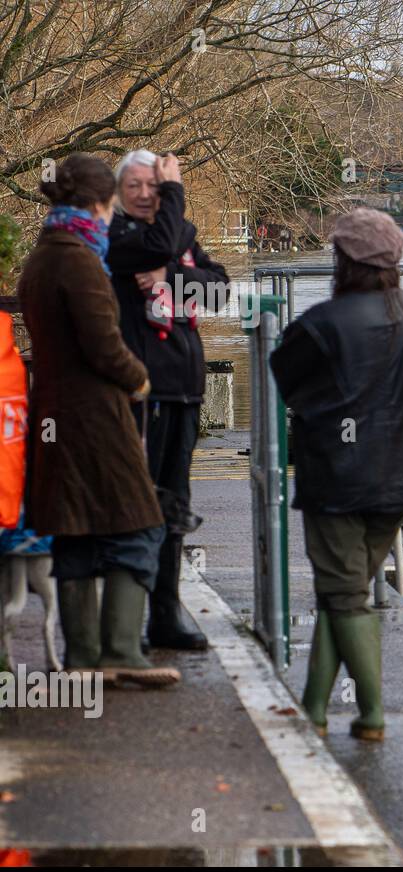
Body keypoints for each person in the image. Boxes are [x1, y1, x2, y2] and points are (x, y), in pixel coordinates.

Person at [270, 208, 403, 741]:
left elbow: (285, 382)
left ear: (343, 262)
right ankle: (314, 709)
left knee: (345, 596)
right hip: (402, 482)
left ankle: (371, 714)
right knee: (341, 593)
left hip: (339, 483)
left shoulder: (322, 323)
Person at [16, 153, 179, 686]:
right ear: (98, 202)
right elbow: (102, 344)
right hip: (94, 415)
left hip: (55, 413)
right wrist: (139, 378)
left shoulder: (43, 254)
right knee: (140, 523)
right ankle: (121, 653)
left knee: (75, 530)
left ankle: (84, 659)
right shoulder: (79, 258)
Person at [107, 149, 229, 652]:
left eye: (153, 187)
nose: (144, 195)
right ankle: (124, 624)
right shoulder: (117, 236)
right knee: (143, 501)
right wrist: (175, 193)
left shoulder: (180, 236)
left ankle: (164, 616)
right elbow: (160, 241)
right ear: (118, 192)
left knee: (175, 503)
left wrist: (172, 280)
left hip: (185, 387)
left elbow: (220, 291)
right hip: (143, 391)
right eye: (133, 185)